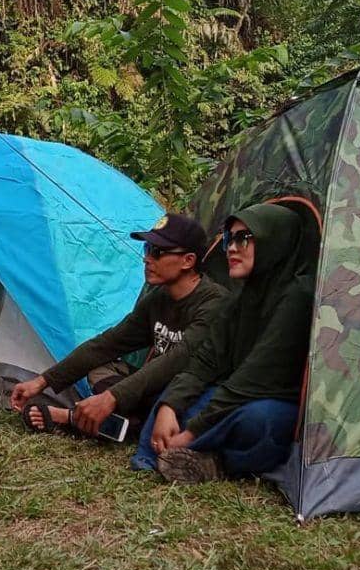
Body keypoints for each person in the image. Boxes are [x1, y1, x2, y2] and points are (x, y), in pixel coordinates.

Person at [133, 202, 314, 482]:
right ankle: (153, 457)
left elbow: (253, 375)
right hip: (233, 394)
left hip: (274, 403)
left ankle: (214, 461)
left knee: (257, 421)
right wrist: (169, 406)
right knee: (179, 396)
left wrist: (191, 432)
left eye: (244, 238)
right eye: (229, 238)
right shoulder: (240, 297)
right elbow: (204, 361)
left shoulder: (298, 296)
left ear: (274, 241)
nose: (231, 248)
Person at [10, 213, 225, 440]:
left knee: (180, 407)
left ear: (188, 261)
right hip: (155, 388)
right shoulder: (158, 299)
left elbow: (177, 360)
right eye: (147, 249)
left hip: (190, 393)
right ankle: (117, 421)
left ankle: (72, 418)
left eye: (157, 252)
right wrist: (42, 381)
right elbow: (108, 344)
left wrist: (111, 397)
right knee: (101, 368)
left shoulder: (214, 304)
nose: (147, 259)